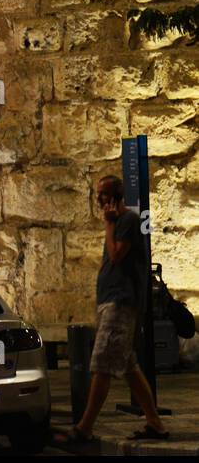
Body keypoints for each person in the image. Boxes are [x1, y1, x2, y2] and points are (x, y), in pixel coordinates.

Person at [56, 175, 169, 445]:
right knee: (129, 366)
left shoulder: (127, 220)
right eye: (98, 194)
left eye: (103, 194)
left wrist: (109, 224)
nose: (98, 199)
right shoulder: (120, 222)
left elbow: (117, 255)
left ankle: (84, 428)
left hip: (120, 303)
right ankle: (155, 423)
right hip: (112, 302)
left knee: (102, 365)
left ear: (115, 196)